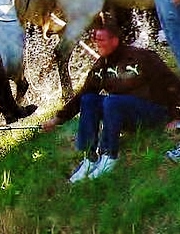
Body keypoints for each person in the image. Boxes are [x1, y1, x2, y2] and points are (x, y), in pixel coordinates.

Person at [41, 21, 180, 181]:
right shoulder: (101, 66)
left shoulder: (142, 57)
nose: (96, 43)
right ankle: (90, 157)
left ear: (115, 40)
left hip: (154, 112)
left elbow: (172, 83)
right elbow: (82, 95)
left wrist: (176, 115)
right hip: (125, 116)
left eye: (101, 39)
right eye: (94, 38)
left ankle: (109, 156)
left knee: (112, 102)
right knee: (89, 100)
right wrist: (57, 119)